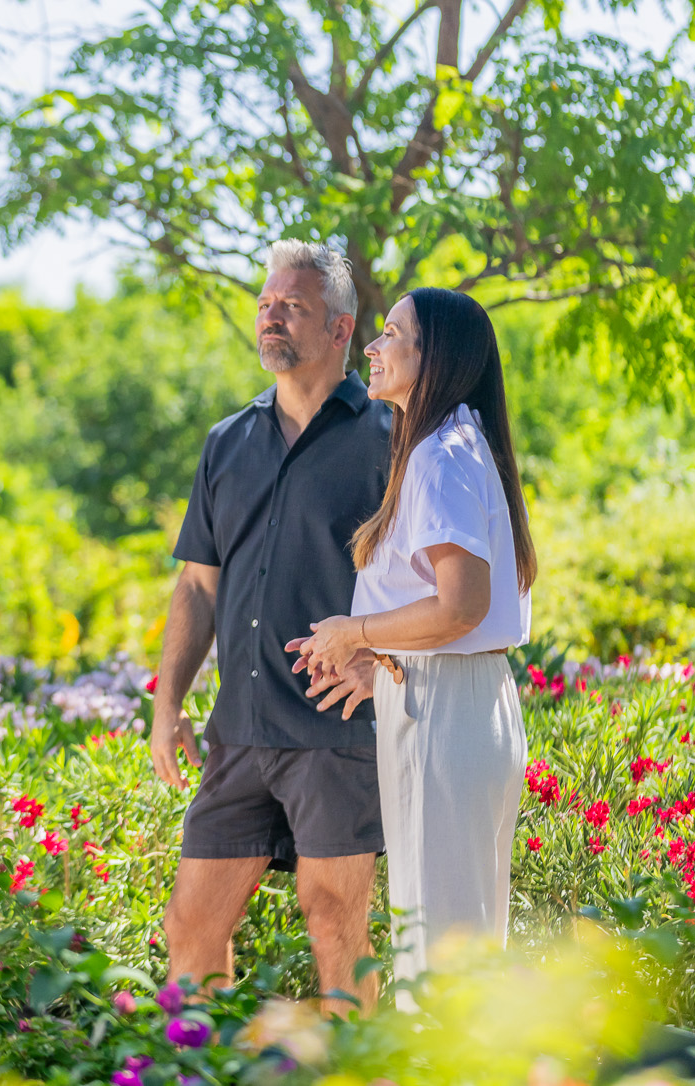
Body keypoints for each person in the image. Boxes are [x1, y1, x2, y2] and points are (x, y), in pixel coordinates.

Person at [149, 240, 393, 1011]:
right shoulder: (228, 442)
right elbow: (197, 587)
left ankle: (358, 1074)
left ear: (340, 329)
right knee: (190, 925)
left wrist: (380, 656)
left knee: (333, 921)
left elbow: (431, 583)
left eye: (292, 305)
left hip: (333, 730)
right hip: (240, 732)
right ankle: (200, 1065)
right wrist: (167, 706)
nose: (271, 317)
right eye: (264, 304)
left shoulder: (389, 439)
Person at [286, 287, 536, 986]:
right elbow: (454, 614)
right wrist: (381, 659)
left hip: (444, 712)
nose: (371, 346)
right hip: (459, 699)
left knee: (437, 954)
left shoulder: (439, 453)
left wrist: (354, 632)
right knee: (462, 940)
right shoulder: (454, 443)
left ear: (436, 358)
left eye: (391, 333)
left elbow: (460, 605)